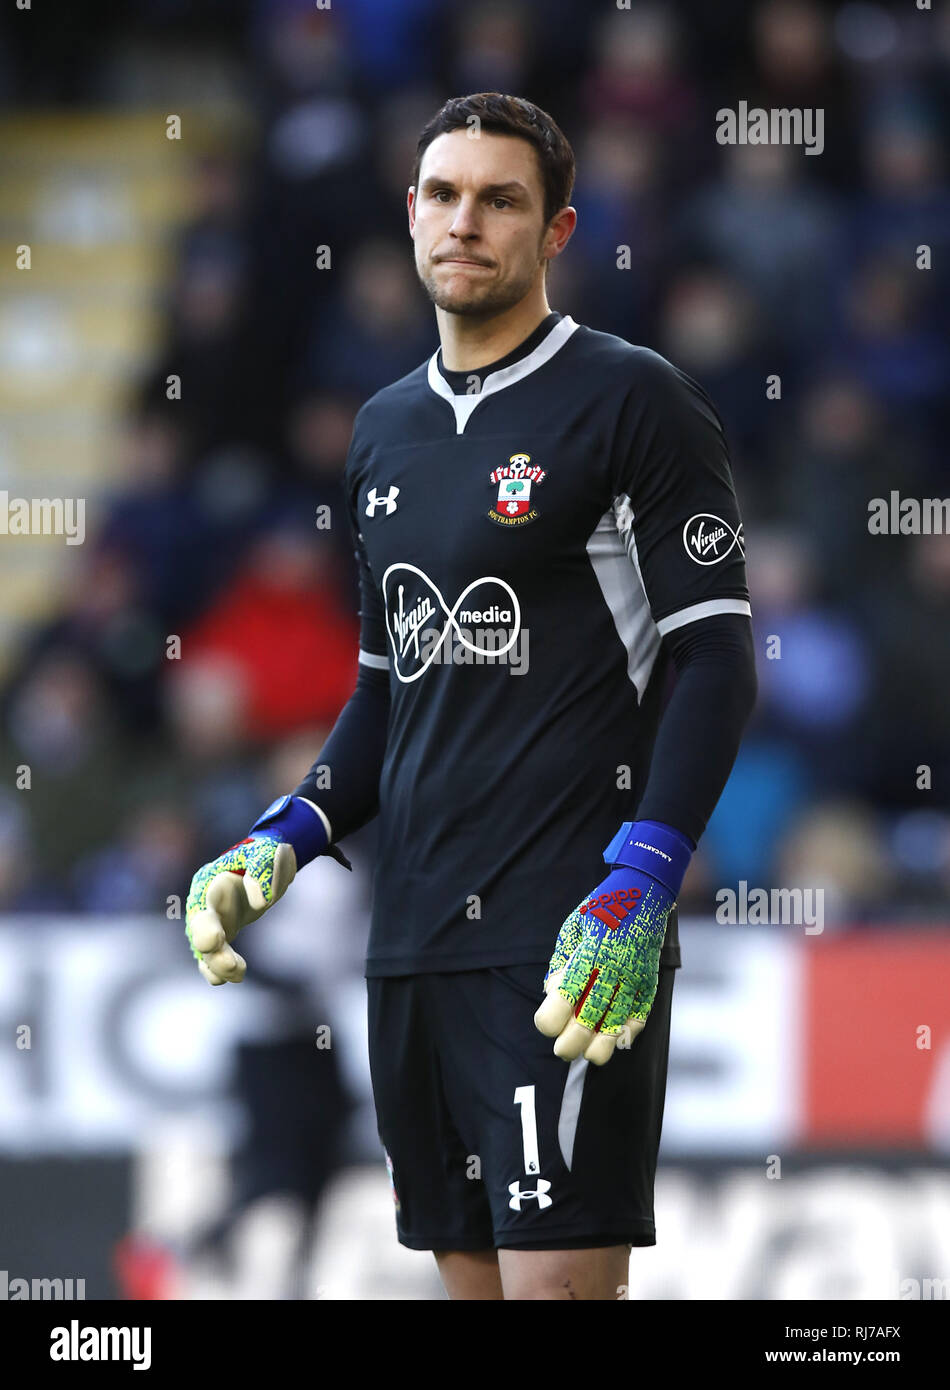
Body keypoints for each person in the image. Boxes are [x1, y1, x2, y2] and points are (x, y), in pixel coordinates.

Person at [184, 92, 757, 1301]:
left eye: (500, 200)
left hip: (566, 933)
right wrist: (286, 835)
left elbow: (714, 656)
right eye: (443, 196)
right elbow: (388, 686)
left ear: (553, 232)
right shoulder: (382, 431)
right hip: (410, 942)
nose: (465, 222)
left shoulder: (632, 400)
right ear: (408, 217)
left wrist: (643, 876)